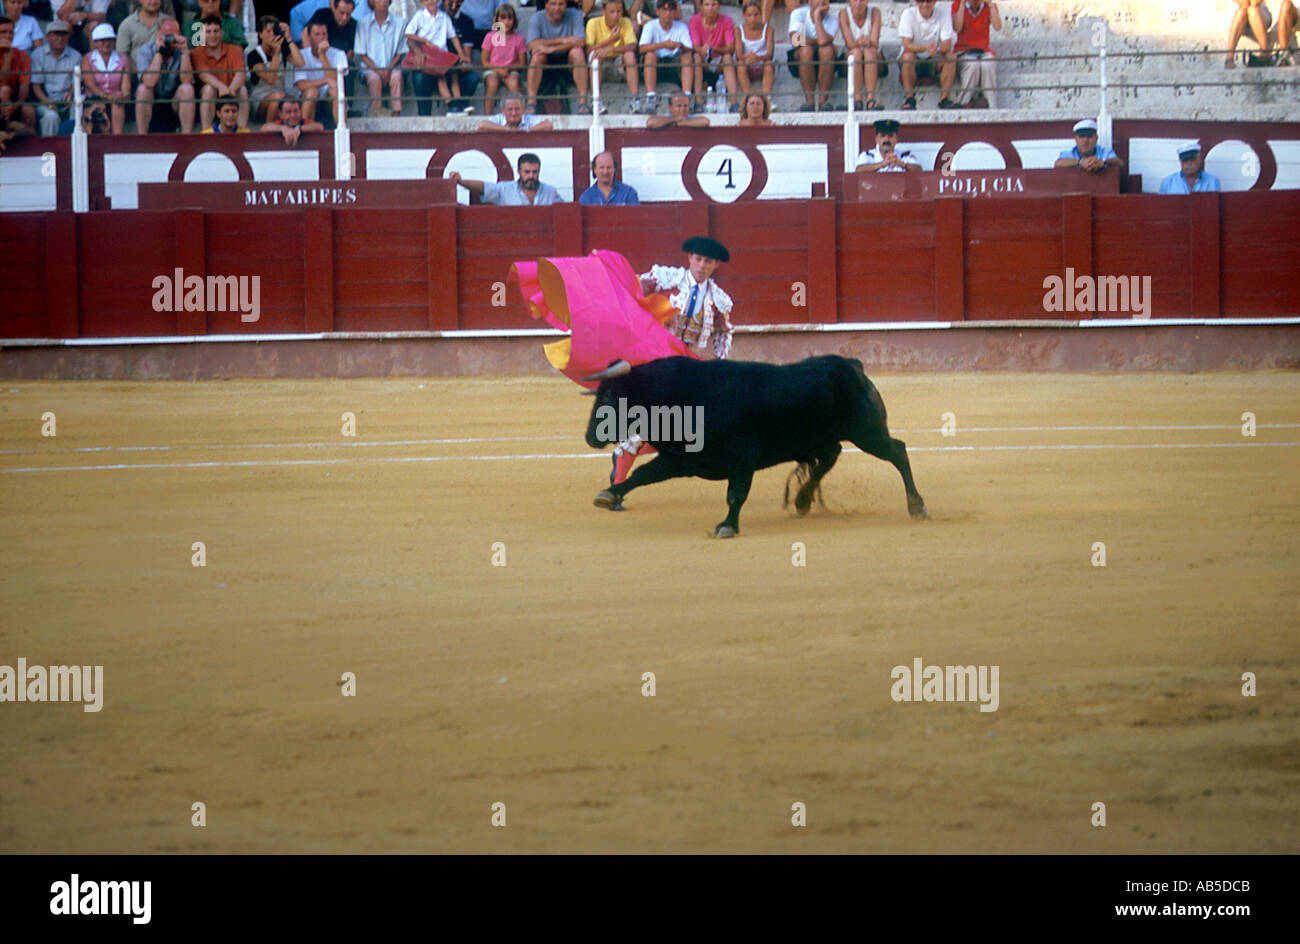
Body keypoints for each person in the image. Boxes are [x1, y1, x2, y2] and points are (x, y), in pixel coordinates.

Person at [602, 235, 735, 503]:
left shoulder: (720, 299)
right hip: (657, 362)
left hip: (689, 369)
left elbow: (724, 333)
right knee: (651, 420)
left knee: (687, 426)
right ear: (690, 258)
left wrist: (721, 365)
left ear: (715, 265)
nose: (701, 265)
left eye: (707, 261)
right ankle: (617, 488)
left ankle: (624, 456)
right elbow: (631, 286)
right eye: (697, 259)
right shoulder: (667, 279)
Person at [405, 0, 468, 115]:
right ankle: (451, 105)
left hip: (442, 55)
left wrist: (462, 55)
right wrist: (424, 40)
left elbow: (453, 37)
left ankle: (459, 104)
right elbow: (408, 33)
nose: (431, 1)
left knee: (454, 75)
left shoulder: (443, 17)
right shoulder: (419, 16)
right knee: (441, 76)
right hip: (429, 55)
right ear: (422, 3)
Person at [525, 0, 587, 114]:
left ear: (566, 4)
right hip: (546, 62)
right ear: (546, 5)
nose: (557, 8)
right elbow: (531, 45)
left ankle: (583, 102)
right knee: (537, 55)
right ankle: (531, 103)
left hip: (567, 60)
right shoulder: (537, 18)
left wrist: (551, 48)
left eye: (561, 4)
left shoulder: (575, 14)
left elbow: (580, 42)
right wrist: (562, 40)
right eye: (553, 4)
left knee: (578, 52)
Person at [135, 15, 195, 131]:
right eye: (166, 35)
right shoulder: (145, 51)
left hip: (174, 100)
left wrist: (185, 54)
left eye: (173, 36)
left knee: (187, 89)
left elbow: (187, 80)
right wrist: (159, 53)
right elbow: (149, 82)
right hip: (152, 99)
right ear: (158, 34)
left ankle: (187, 138)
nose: (170, 40)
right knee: (143, 89)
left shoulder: (182, 52)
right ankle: (142, 138)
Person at [192, 15, 247, 128]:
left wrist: (230, 90)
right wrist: (221, 87)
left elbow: (241, 74)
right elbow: (204, 75)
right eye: (208, 32)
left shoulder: (235, 49)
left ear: (221, 33)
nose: (212, 35)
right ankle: (206, 132)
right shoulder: (196, 52)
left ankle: (242, 131)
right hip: (210, 95)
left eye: (216, 31)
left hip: (230, 91)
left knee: (243, 89)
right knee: (208, 89)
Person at [449, 151, 565, 205]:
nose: (531, 176)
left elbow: (565, 212)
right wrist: (461, 181)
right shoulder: (506, 189)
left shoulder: (550, 192)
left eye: (535, 172)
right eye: (527, 172)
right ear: (518, 172)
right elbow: (484, 187)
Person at [899, 0, 956, 110]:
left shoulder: (943, 15)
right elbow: (907, 45)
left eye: (928, 1)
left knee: (950, 57)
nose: (925, 4)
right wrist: (926, 48)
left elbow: (947, 44)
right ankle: (909, 99)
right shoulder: (908, 14)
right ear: (916, 2)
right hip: (914, 58)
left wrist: (937, 49)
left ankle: (944, 99)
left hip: (934, 57)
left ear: (934, 1)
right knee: (908, 57)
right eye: (921, 1)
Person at [586, 0, 640, 113]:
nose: (616, 15)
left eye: (619, 11)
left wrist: (612, 48)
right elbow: (588, 50)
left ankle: (635, 100)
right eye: (611, 12)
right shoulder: (593, 23)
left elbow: (632, 46)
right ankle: (596, 101)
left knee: (629, 55)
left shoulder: (625, 22)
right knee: (595, 56)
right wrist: (610, 40)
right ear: (603, 12)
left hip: (617, 61)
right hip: (600, 62)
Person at [639, 0, 693, 114]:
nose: (668, 13)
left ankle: (687, 97)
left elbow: (689, 48)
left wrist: (679, 45)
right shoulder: (650, 26)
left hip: (674, 64)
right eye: (664, 10)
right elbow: (641, 48)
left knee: (687, 56)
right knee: (650, 55)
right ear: (657, 11)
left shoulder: (681, 27)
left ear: (675, 12)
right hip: (656, 65)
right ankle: (651, 97)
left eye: (671, 10)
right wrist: (663, 45)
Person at [32, 20, 81, 135]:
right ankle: (50, 150)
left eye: (63, 34)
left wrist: (71, 93)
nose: (60, 38)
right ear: (48, 37)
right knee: (51, 117)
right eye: (56, 35)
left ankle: (74, 146)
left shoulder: (76, 56)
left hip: (67, 99)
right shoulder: (37, 55)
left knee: (78, 109)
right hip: (45, 99)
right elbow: (36, 87)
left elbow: (77, 82)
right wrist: (47, 101)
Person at [356, 0, 403, 115]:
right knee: (374, 78)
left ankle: (397, 113)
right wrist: (377, 70)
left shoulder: (400, 22)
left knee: (397, 76)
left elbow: (400, 52)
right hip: (370, 67)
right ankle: (376, 111)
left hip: (392, 65)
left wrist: (389, 68)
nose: (382, 1)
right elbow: (362, 54)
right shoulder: (363, 23)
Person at [688, 0, 736, 111]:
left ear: (719, 6)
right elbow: (695, 46)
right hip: (703, 58)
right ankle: (698, 101)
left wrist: (713, 48)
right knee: (696, 57)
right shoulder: (694, 21)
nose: (710, 8)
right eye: (707, 4)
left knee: (728, 57)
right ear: (702, 6)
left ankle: (734, 102)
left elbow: (730, 47)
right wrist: (703, 50)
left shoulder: (727, 21)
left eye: (714, 4)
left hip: (720, 59)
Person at [295, 15, 346, 122]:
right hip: (309, 99)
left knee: (335, 91)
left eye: (324, 34)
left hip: (329, 101)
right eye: (317, 34)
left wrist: (323, 56)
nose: (321, 38)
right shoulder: (302, 55)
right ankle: (303, 129)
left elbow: (337, 82)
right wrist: (325, 80)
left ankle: (341, 131)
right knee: (312, 92)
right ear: (309, 37)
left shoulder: (339, 54)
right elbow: (301, 85)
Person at [789, 0, 838, 111]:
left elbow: (823, 43)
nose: (822, 1)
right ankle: (809, 101)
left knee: (827, 51)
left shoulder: (833, 20)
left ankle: (823, 101)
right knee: (807, 50)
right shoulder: (798, 14)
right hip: (799, 58)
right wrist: (819, 41)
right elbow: (796, 40)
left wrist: (817, 17)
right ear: (810, 1)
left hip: (823, 57)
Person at [82, 22, 130, 132]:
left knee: (118, 104)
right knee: (96, 108)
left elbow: (126, 86)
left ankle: (117, 140)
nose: (106, 43)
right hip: (95, 97)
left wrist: (122, 96)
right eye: (102, 40)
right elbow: (90, 84)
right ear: (96, 42)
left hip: (116, 97)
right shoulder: (87, 58)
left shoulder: (123, 58)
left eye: (109, 40)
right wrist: (105, 96)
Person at [951, 0, 998, 108]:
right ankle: (963, 102)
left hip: (984, 51)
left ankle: (992, 105)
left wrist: (990, 5)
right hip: (964, 51)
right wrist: (962, 4)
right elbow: (957, 28)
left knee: (988, 63)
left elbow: (997, 26)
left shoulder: (989, 6)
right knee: (973, 65)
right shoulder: (957, 5)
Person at [480, 2, 524, 116]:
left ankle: (521, 116)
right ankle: (488, 116)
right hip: (493, 69)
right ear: (497, 20)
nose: (506, 22)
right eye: (503, 18)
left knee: (514, 83)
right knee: (492, 83)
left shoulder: (519, 39)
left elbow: (523, 63)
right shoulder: (490, 37)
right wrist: (498, 70)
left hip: (511, 71)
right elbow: (484, 61)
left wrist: (508, 69)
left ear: (514, 20)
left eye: (510, 18)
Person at [1226, 0, 1297, 67]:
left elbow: (1255, 2)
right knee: (1241, 12)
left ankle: (1265, 52)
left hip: (1259, 13)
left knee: (1252, 10)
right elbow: (1244, 3)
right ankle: (1229, 58)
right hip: (1236, 16)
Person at [840, 0, 882, 110]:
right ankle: (857, 99)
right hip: (853, 54)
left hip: (872, 54)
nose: (858, 3)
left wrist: (867, 41)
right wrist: (859, 43)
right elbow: (850, 44)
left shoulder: (875, 12)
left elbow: (875, 43)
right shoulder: (844, 14)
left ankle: (870, 99)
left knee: (868, 52)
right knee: (856, 52)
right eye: (855, 0)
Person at [1054, 117, 1123, 173]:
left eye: (1089, 136)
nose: (1085, 140)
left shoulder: (1105, 152)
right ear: (1076, 139)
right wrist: (1080, 162)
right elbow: (1058, 163)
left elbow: (1119, 163)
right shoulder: (1070, 153)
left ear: (1096, 139)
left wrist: (1103, 162)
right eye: (1082, 136)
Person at [735, 0, 772, 101]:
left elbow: (770, 54)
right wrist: (748, 57)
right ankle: (748, 98)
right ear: (744, 15)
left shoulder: (768, 29)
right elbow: (738, 55)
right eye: (749, 15)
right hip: (748, 63)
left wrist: (757, 58)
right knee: (741, 65)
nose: (753, 18)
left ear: (760, 14)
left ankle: (766, 98)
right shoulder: (739, 30)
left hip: (762, 63)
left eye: (756, 15)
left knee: (769, 64)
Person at [855, 117, 921, 171]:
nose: (886, 139)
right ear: (876, 139)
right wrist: (882, 164)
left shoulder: (904, 156)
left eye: (890, 135)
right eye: (883, 136)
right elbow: (859, 170)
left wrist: (902, 164)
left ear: (896, 139)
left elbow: (919, 169)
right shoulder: (868, 156)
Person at [477, 90, 552, 129]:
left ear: (523, 110)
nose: (513, 113)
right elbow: (482, 125)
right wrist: (506, 130)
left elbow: (548, 125)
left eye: (517, 109)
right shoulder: (499, 118)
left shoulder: (528, 119)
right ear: (503, 111)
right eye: (510, 109)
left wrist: (526, 132)